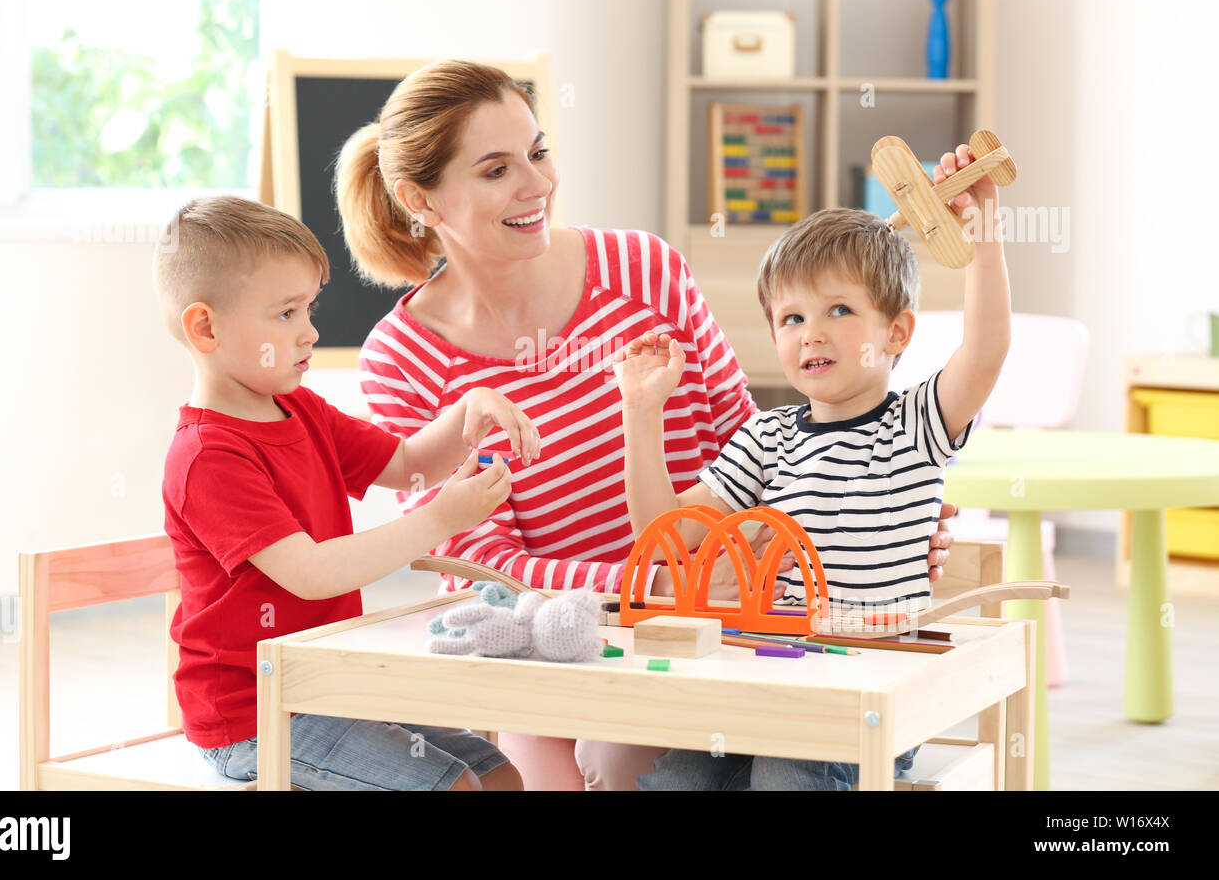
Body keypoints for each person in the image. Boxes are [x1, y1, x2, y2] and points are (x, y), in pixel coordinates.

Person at [336, 59, 959, 790]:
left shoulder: (644, 270)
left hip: (708, 629)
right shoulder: (400, 358)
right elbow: (479, 567)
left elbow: (745, 442)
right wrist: (669, 591)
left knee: (636, 767)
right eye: (496, 169)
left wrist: (847, 508)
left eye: (537, 153)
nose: (536, 186)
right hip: (556, 641)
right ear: (421, 199)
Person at [611, 147, 1011, 790]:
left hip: (866, 702)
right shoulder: (766, 437)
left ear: (898, 332)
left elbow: (987, 349)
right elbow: (663, 536)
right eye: (792, 318)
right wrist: (640, 411)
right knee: (674, 781)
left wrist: (983, 229)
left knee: (783, 776)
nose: (811, 334)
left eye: (839, 311)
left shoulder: (916, 425)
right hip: (761, 686)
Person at [153, 195, 538, 790]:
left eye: (309, 308)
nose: (310, 332)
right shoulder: (209, 456)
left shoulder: (300, 410)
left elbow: (408, 462)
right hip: (254, 718)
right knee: (456, 787)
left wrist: (469, 408)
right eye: (285, 314)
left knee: (498, 774)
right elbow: (309, 572)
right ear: (205, 327)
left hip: (326, 686)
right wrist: (440, 518)